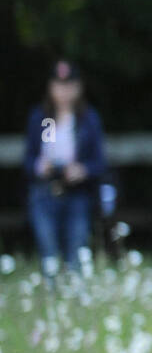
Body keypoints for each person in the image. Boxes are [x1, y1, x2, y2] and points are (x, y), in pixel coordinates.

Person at [23, 59, 108, 278]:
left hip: (77, 192)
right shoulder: (40, 118)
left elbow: (99, 162)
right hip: (44, 191)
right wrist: (40, 166)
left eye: (69, 85)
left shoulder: (88, 119)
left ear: (78, 87)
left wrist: (82, 170)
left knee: (76, 252)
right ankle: (52, 300)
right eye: (59, 85)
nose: (64, 92)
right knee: (48, 252)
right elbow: (29, 159)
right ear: (51, 87)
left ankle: (75, 299)